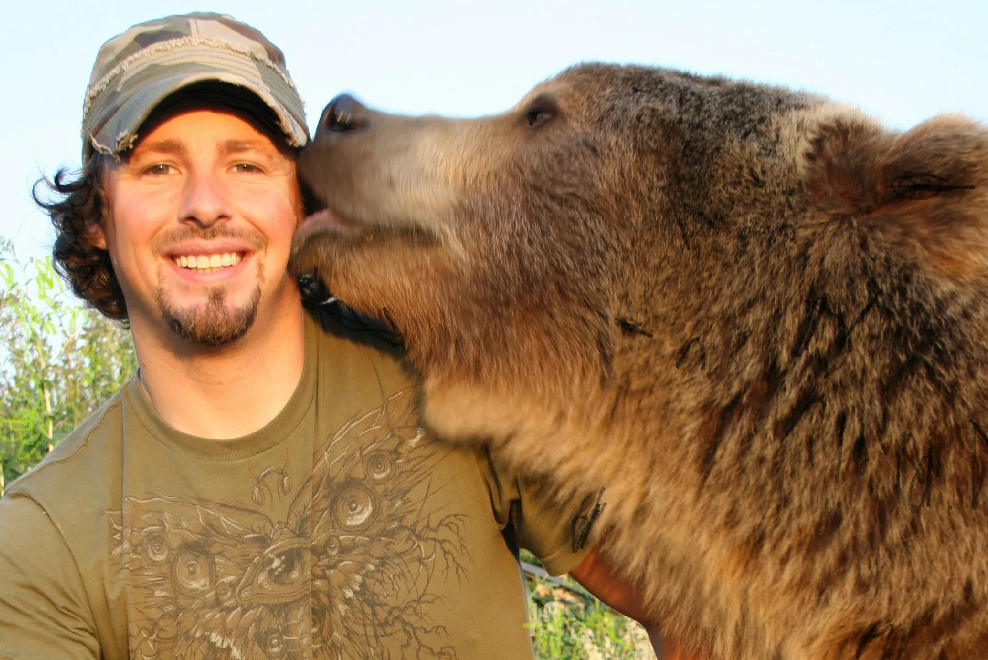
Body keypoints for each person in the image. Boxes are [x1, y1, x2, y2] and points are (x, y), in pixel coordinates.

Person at [0, 12, 701, 660]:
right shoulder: (42, 540)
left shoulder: (453, 377)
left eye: (246, 164)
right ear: (97, 212)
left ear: (300, 197)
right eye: (159, 167)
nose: (205, 205)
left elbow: (696, 608)